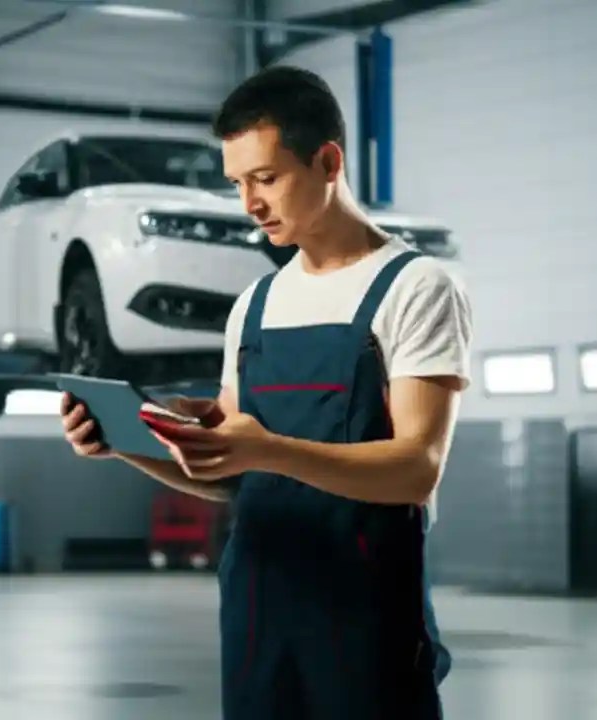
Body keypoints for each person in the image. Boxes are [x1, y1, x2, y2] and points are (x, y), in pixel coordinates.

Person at [59, 65, 473, 719]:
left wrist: (268, 449)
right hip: (259, 615)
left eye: (266, 178)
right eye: (237, 184)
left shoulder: (415, 289)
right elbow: (232, 475)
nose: (249, 203)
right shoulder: (254, 304)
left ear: (328, 161)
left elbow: (416, 467)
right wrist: (126, 440)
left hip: (367, 618)